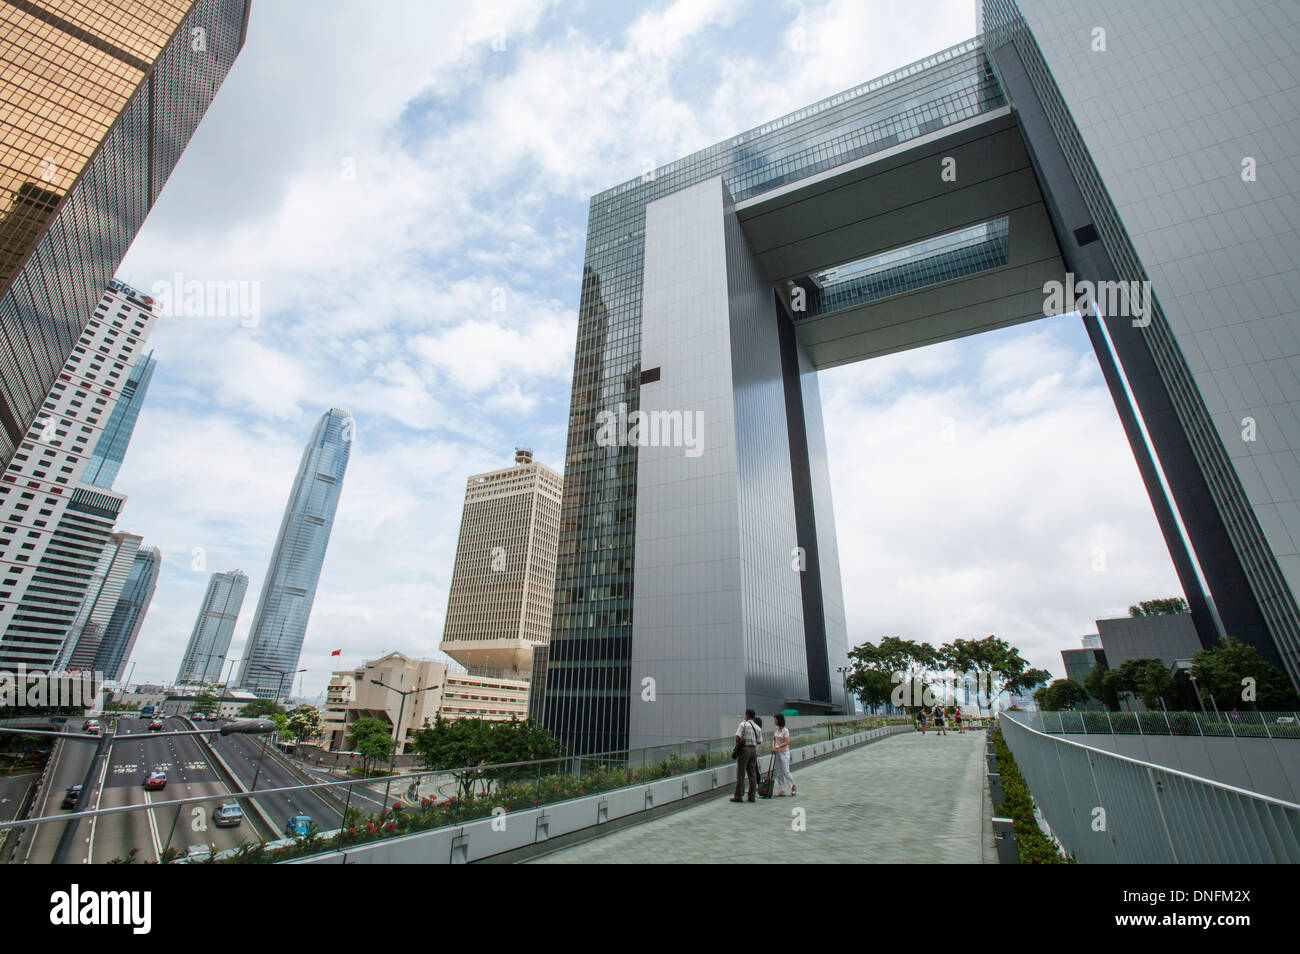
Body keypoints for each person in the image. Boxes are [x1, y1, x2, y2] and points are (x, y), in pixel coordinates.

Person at [730, 708, 762, 802]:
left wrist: (738, 745)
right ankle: (751, 796)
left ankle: (738, 796)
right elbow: (759, 741)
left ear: (747, 715)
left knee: (741, 773)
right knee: (752, 774)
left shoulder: (743, 724)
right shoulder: (757, 727)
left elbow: (738, 736)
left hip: (744, 750)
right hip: (753, 750)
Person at [772, 713, 795, 797]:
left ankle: (792, 786)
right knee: (778, 771)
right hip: (777, 752)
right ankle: (781, 789)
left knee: (785, 770)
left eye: (775, 719)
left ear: (779, 720)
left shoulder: (785, 730)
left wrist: (777, 747)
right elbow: (773, 739)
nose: (774, 721)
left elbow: (786, 742)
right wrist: (774, 747)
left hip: (784, 752)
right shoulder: (777, 729)